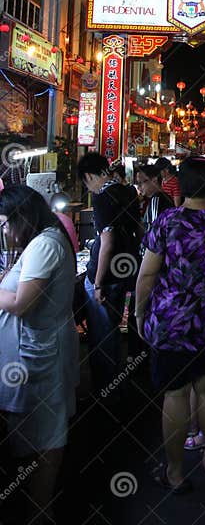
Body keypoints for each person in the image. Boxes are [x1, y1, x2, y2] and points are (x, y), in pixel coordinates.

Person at [135, 158, 205, 492]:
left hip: (173, 320)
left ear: (183, 183)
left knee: (176, 392)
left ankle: (175, 472)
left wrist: (139, 313)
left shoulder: (168, 221)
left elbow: (147, 274)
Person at [0, 186, 79, 522]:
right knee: (36, 429)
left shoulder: (45, 244)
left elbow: (21, 303)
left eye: (5, 223)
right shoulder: (41, 241)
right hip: (36, 350)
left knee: (48, 433)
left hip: (44, 353)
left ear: (22, 217)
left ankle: (41, 508)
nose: (5, 231)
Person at [77, 152, 142, 394]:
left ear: (89, 176)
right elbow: (138, 230)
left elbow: (107, 241)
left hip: (106, 275)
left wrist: (97, 283)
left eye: (86, 183)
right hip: (127, 269)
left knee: (102, 334)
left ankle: (105, 390)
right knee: (113, 329)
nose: (88, 188)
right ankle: (117, 384)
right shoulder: (129, 192)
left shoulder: (102, 197)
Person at [136, 164, 174, 231]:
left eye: (140, 183)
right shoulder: (164, 197)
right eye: (137, 183)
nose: (138, 187)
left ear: (154, 180)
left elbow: (154, 231)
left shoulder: (156, 200)